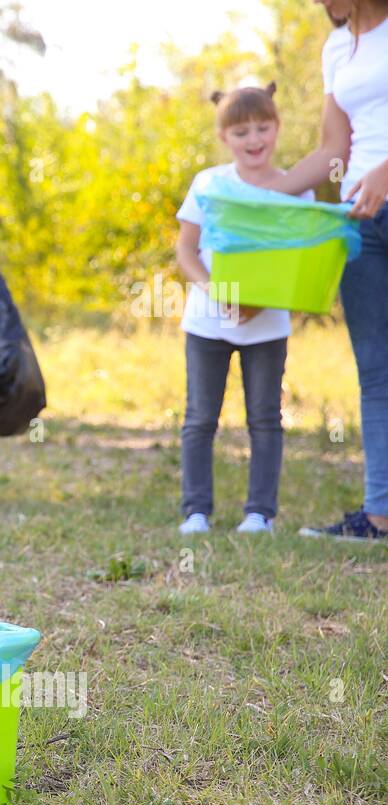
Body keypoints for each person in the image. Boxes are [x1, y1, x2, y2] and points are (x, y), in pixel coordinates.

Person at [174, 84, 312, 535]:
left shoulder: (296, 188)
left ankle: (260, 514)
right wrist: (218, 292)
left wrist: (259, 302)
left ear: (277, 127)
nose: (253, 139)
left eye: (262, 128)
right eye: (240, 132)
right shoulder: (209, 184)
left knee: (266, 419)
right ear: (224, 137)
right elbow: (186, 251)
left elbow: (298, 261)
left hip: (268, 325)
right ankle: (196, 511)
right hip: (208, 322)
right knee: (199, 418)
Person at [274, 0, 388, 540]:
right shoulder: (338, 47)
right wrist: (267, 193)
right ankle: (380, 513)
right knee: (375, 366)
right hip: (358, 222)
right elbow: (333, 149)